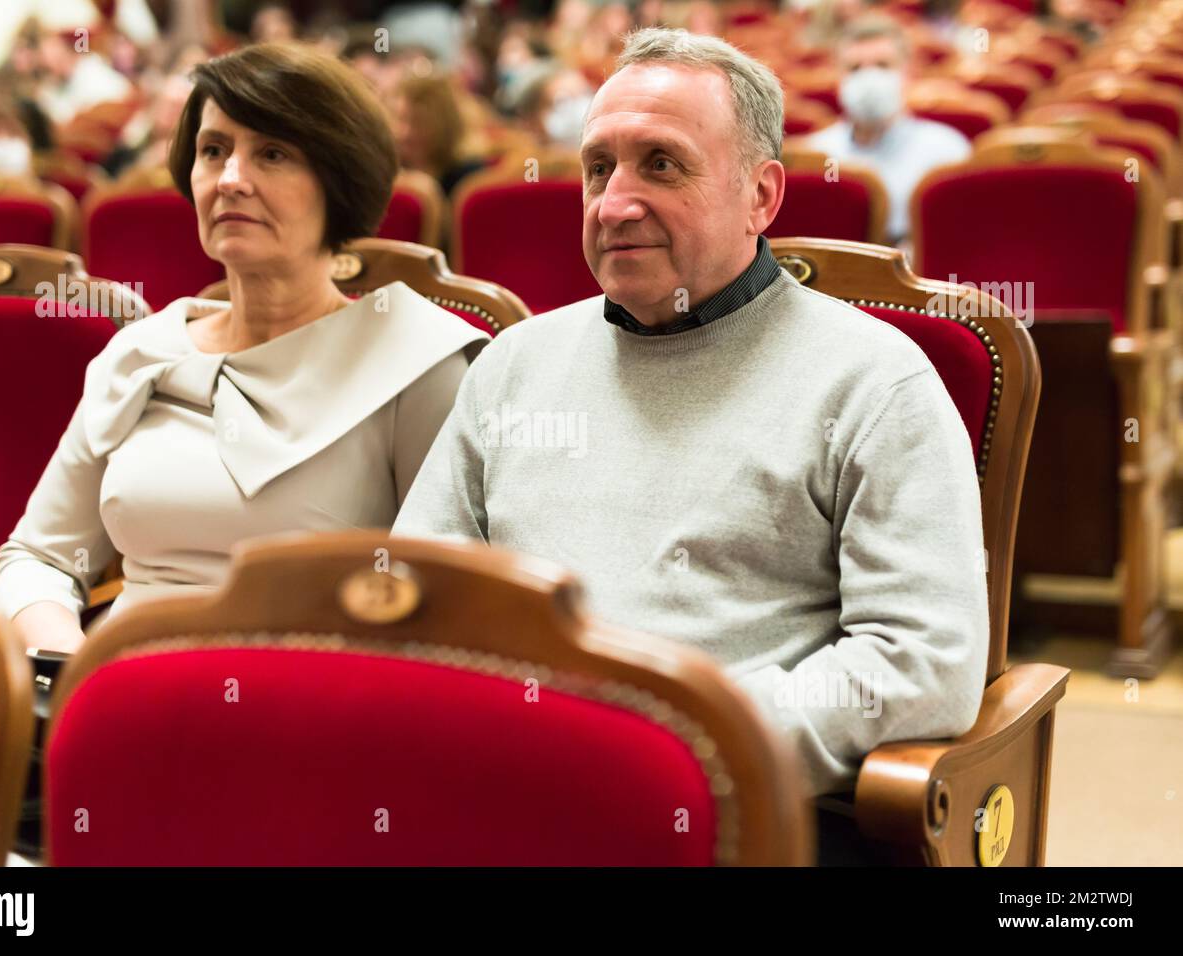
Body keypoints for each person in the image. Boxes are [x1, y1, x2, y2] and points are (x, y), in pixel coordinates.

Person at [394, 28, 988, 815]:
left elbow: (921, 664)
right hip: (504, 784)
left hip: (729, 807)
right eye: (598, 167)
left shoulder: (873, 380)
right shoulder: (515, 364)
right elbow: (413, 592)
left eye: (661, 165)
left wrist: (670, 745)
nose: (615, 203)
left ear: (762, 196)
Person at [0, 43, 488, 653]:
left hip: (315, 704)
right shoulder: (141, 354)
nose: (231, 179)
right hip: (120, 693)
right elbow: (40, 556)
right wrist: (64, 659)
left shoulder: (415, 357)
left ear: (339, 180)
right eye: (213, 150)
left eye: (272, 154)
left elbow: (450, 596)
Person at [807, 15, 970, 244]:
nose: (868, 78)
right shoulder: (815, 154)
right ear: (838, 78)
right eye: (854, 68)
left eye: (883, 65)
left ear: (908, 74)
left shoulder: (947, 152)